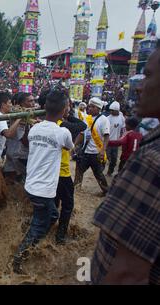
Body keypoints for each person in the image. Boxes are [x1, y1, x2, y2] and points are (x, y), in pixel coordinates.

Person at [91, 42, 160, 285]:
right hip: (116, 153)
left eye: (149, 76)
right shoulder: (145, 138)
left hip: (115, 153)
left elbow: (126, 274)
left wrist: (103, 147)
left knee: (107, 170)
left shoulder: (152, 161)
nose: (139, 87)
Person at [11, 90, 74, 274]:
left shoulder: (35, 128)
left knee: (51, 215)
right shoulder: (63, 132)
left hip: (31, 185)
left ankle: (36, 241)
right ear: (64, 110)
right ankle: (19, 259)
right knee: (40, 222)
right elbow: (70, 147)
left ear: (44, 107)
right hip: (44, 190)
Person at [55, 100, 87, 245]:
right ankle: (60, 236)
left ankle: (46, 229)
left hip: (50, 173)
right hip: (62, 173)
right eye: (67, 106)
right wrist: (67, 115)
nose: (69, 109)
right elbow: (83, 125)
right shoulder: (62, 126)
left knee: (54, 202)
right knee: (67, 205)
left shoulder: (43, 124)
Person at [74, 97, 110, 195]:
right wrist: (74, 144)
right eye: (89, 106)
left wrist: (103, 150)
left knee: (98, 174)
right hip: (85, 151)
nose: (89, 108)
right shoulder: (86, 118)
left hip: (96, 153)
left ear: (98, 108)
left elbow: (106, 136)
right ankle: (77, 188)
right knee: (79, 170)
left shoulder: (104, 120)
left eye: (92, 107)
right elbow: (82, 133)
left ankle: (106, 191)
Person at [0, 92, 22, 209]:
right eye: (9, 103)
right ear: (3, 104)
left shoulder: (0, 115)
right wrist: (19, 118)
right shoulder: (0, 117)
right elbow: (8, 134)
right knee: (0, 194)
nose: (10, 105)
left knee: (1, 193)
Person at [106, 102, 126, 176]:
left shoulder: (121, 117)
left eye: (112, 110)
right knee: (107, 157)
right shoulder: (108, 118)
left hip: (116, 142)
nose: (111, 112)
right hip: (108, 141)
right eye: (110, 110)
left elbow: (123, 128)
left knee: (114, 159)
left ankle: (109, 172)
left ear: (117, 110)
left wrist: (122, 137)